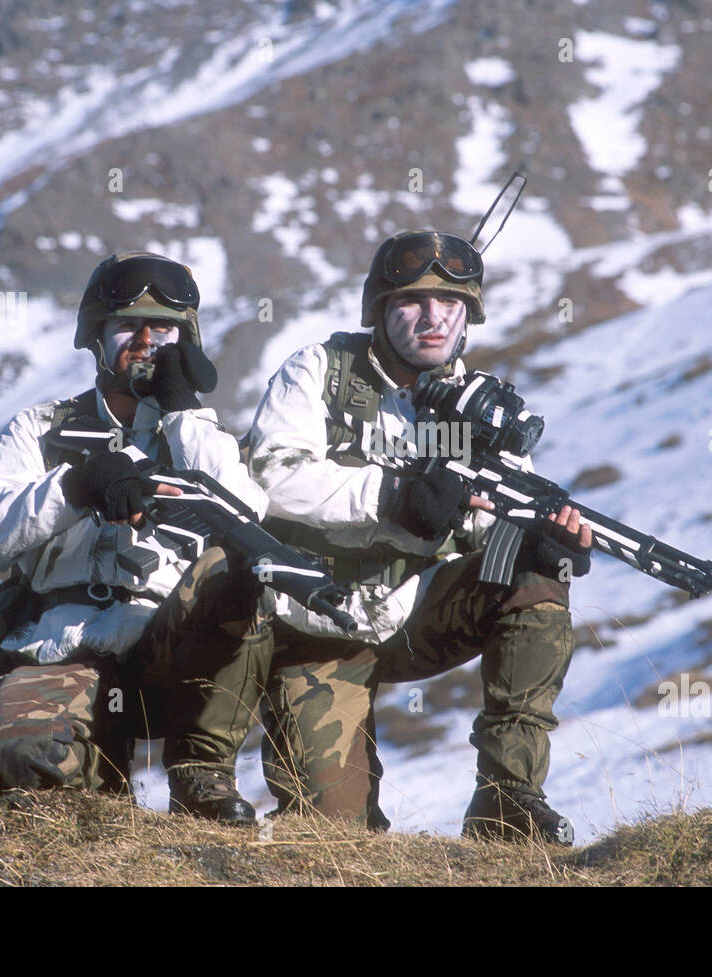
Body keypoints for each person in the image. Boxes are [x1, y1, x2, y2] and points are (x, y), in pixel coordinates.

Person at [247, 230, 591, 845]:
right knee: (333, 837)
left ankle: (507, 799)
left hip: (419, 609)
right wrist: (392, 498)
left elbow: (500, 513)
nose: (433, 318)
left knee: (537, 574)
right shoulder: (318, 370)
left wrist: (552, 541)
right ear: (379, 309)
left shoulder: (482, 406)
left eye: (451, 305)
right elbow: (271, 478)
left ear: (469, 317)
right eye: (411, 302)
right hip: (314, 619)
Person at [0, 251, 272, 824]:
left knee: (242, 572)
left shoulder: (205, 434)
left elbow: (247, 518)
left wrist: (182, 412)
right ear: (96, 337)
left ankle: (202, 776)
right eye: (128, 325)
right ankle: (95, 789)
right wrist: (74, 486)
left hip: (173, 652)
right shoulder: (42, 429)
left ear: (187, 340)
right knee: (11, 756)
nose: (147, 340)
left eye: (165, 328)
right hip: (63, 648)